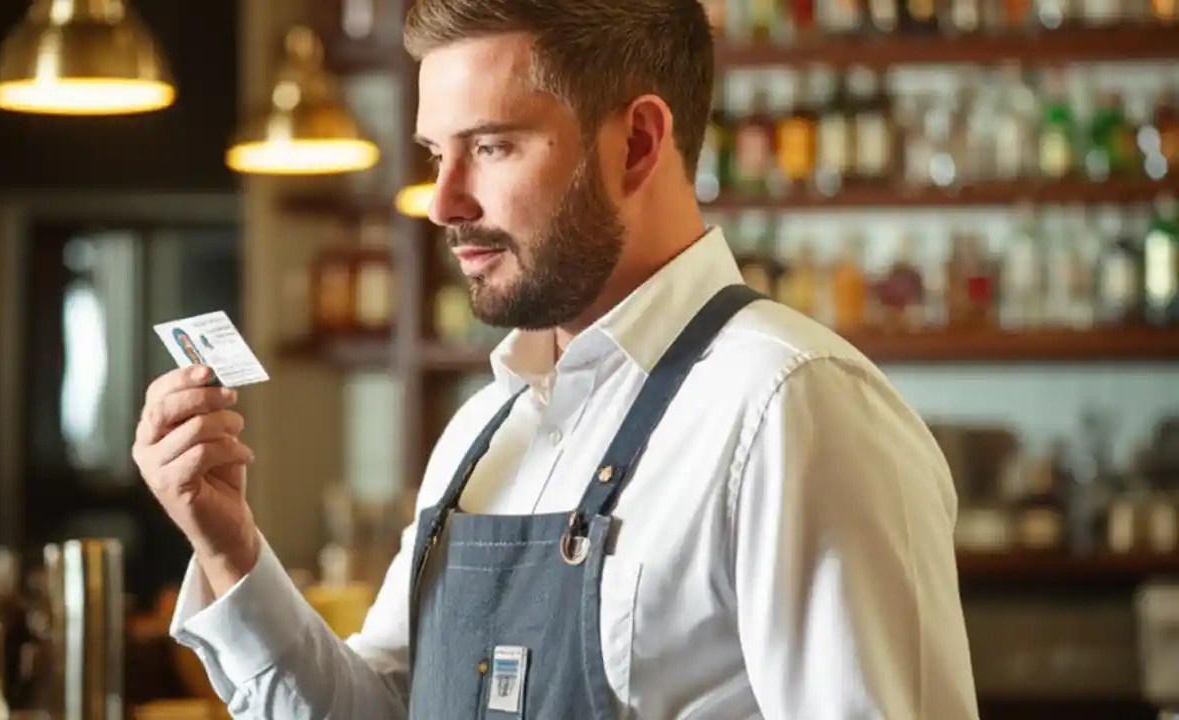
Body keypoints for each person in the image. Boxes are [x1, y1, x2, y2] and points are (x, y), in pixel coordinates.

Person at [130, 1, 980, 717]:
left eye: (492, 146)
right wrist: (231, 549)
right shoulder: (484, 430)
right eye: (436, 153)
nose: (443, 202)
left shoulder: (789, 409)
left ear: (640, 144)